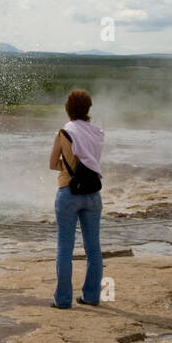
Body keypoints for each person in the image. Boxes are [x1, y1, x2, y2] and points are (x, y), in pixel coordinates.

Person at [48, 89, 105, 309]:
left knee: (65, 247)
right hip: (92, 194)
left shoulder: (64, 132)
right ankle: (91, 296)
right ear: (88, 109)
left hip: (68, 193)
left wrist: (67, 167)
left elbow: (53, 163)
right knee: (93, 249)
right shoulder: (97, 133)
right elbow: (92, 161)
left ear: (68, 109)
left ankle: (62, 300)